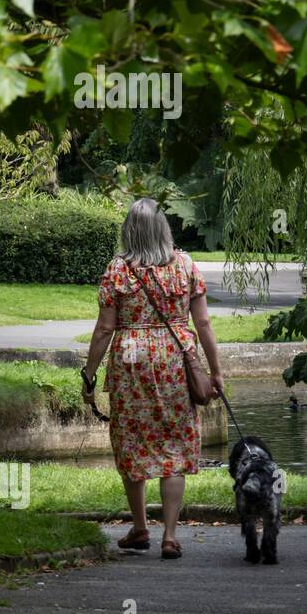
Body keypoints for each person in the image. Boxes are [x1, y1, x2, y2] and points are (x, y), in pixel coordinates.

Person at [80, 198, 224, 560]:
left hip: (131, 363)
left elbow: (104, 329)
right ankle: (171, 536)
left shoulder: (118, 270)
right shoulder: (186, 266)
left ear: (130, 230)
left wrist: (90, 371)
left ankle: (141, 526)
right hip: (176, 360)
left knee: (133, 441)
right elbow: (203, 323)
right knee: (174, 444)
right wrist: (215, 370)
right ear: (164, 228)